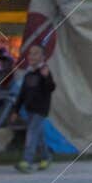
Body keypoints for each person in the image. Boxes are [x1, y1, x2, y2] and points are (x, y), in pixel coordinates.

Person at [14, 41, 56, 172]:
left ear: (43, 57)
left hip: (40, 110)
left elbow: (51, 88)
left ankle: (27, 161)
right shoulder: (28, 75)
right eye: (30, 54)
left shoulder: (44, 72)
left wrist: (46, 77)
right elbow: (22, 94)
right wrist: (15, 110)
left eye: (36, 54)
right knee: (39, 135)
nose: (32, 56)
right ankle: (46, 157)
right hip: (30, 110)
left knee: (31, 134)